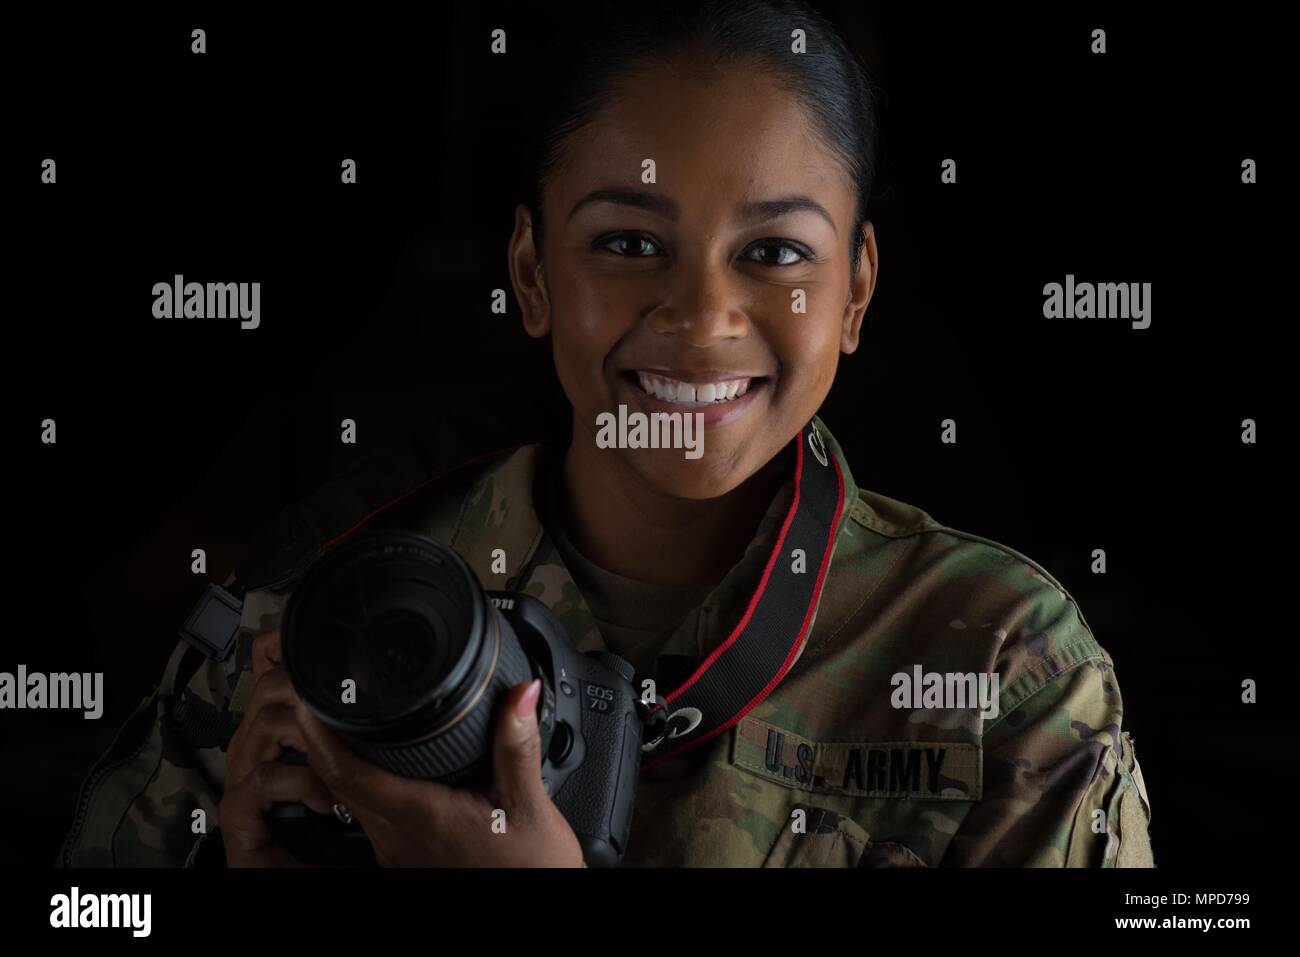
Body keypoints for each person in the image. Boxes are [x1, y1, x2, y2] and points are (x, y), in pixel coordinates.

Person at [59, 0, 1153, 868]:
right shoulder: (318, 617)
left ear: (857, 290)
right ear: (531, 275)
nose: (700, 317)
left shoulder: (1002, 666)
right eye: (628, 243)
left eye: (774, 253)